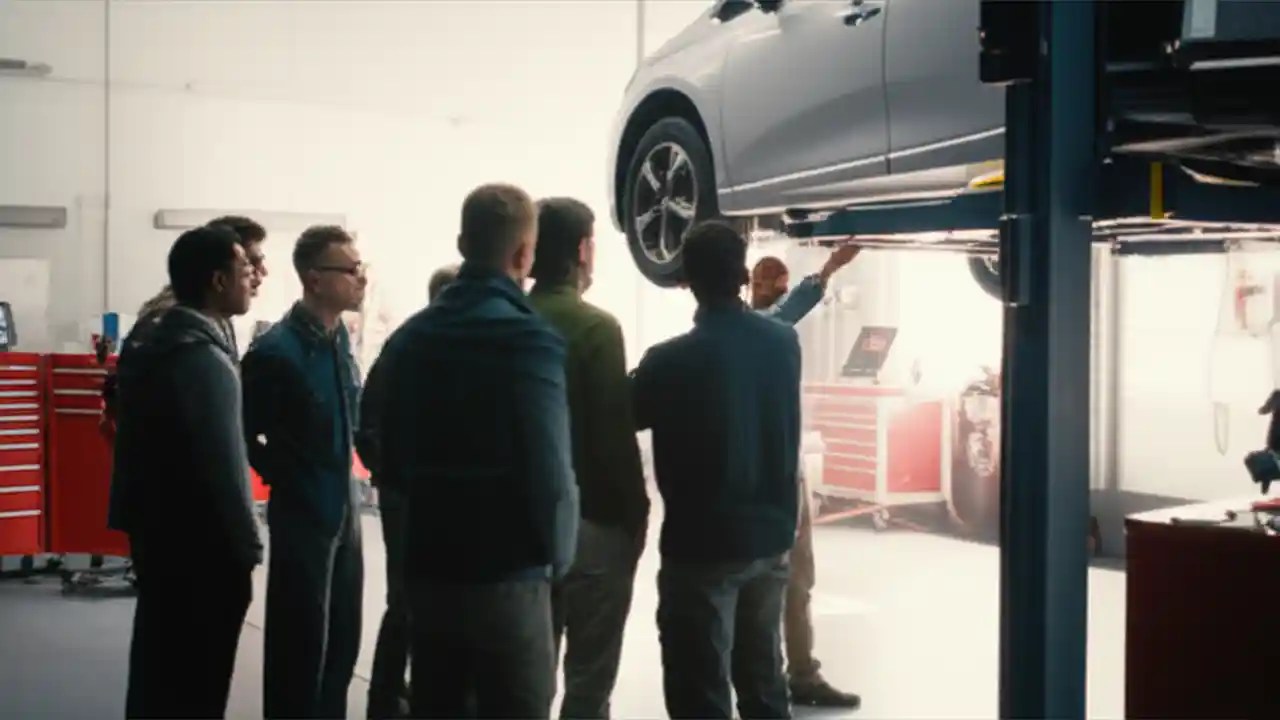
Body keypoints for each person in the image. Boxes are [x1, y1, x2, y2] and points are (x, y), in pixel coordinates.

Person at [374, 183, 579, 719]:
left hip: (431, 572)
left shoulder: (410, 341)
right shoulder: (530, 341)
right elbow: (551, 473)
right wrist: (558, 560)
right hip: (509, 577)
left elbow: (382, 449)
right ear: (524, 256)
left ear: (462, 242)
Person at [632, 220, 802, 719]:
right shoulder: (783, 344)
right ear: (745, 275)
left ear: (686, 278)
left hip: (701, 550)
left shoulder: (667, 362)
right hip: (770, 540)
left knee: (699, 691)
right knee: (764, 681)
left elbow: (623, 410)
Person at [111, 224, 262, 718]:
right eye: (246, 268)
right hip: (204, 548)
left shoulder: (161, 339)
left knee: (160, 666)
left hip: (161, 533)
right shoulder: (202, 360)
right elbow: (225, 467)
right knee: (199, 676)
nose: (254, 277)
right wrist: (248, 545)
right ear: (218, 281)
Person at [527, 198, 648, 719]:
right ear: (583, 249)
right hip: (593, 527)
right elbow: (612, 437)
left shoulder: (512, 318)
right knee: (589, 681)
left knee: (528, 678)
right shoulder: (596, 328)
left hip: (523, 530)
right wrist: (636, 515)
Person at [242, 225, 367, 719]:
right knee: (299, 646)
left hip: (346, 509)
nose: (360, 278)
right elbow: (244, 432)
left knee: (342, 643)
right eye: (350, 269)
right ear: (314, 279)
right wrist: (285, 475)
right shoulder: (276, 353)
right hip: (304, 512)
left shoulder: (339, 343)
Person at [748, 247, 863, 709]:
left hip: (783, 473)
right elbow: (786, 312)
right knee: (775, 582)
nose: (772, 284)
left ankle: (798, 674)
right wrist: (830, 269)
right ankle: (779, 679)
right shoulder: (755, 330)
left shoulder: (757, 332)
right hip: (764, 479)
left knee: (798, 578)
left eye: (777, 278)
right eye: (764, 277)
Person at [357, 263, 459, 720]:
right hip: (419, 497)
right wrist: (396, 478)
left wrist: (389, 476)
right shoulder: (423, 346)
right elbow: (370, 426)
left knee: (405, 602)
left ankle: (390, 701)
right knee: (415, 603)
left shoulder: (402, 345)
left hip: (407, 493)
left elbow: (368, 425)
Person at [100, 215, 266, 441]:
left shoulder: (212, 318)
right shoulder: (173, 323)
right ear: (220, 272)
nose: (260, 272)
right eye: (250, 263)